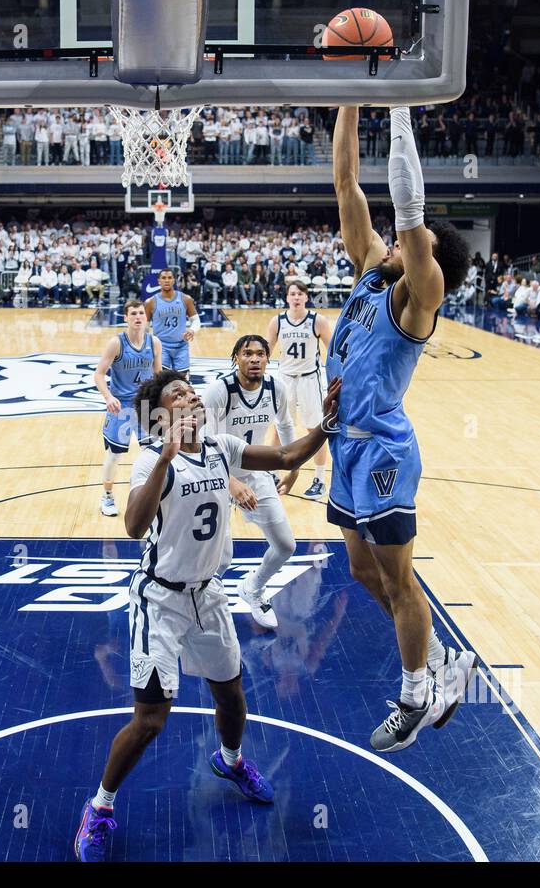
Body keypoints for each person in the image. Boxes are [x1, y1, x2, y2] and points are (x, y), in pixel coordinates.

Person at [72, 369, 341, 862]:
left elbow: (284, 456)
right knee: (151, 719)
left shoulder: (219, 447)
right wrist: (166, 458)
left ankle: (231, 761)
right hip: (161, 601)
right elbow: (133, 526)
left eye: (191, 389)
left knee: (232, 699)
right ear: (159, 415)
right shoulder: (152, 460)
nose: (191, 395)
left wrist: (326, 423)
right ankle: (100, 808)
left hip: (210, 597)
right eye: (178, 394)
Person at [329, 105, 477, 753]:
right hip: (344, 444)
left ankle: (416, 695)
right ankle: (441, 659)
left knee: (399, 579)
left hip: (384, 449)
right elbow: (346, 182)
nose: (390, 241)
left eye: (406, 246)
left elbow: (412, 219)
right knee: (364, 573)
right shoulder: (369, 268)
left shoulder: (419, 299)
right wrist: (349, 95)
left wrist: (398, 106)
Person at [201, 335, 299, 629]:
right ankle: (201, 605)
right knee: (221, 559)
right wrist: (230, 483)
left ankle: (253, 588)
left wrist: (293, 467)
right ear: (236, 359)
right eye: (247, 354)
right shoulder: (220, 391)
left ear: (268, 359)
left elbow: (286, 425)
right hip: (215, 473)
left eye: (260, 354)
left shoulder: (276, 388)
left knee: (285, 545)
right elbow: (206, 445)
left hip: (254, 472)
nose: (254, 359)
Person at [265, 280, 334, 497]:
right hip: (285, 379)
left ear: (306, 297)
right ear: (287, 297)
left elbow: (332, 352)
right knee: (278, 428)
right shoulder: (277, 321)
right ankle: (274, 474)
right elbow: (266, 350)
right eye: (292, 294)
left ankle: (319, 479)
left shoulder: (318, 321)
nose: (296, 297)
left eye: (300, 294)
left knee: (314, 430)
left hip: (309, 380)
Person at [93, 300, 162, 517]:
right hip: (120, 408)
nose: (138, 317)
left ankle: (156, 496)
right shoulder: (116, 343)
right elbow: (99, 374)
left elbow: (158, 375)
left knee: (154, 454)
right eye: (133, 313)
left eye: (141, 313)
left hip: (145, 406)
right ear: (126, 318)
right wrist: (108, 396)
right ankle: (107, 497)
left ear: (146, 317)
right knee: (114, 455)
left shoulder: (155, 342)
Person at [144, 269, 199, 372]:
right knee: (162, 382)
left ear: (174, 280)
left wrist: (192, 330)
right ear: (159, 281)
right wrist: (144, 346)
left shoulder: (186, 299)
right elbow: (145, 328)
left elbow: (196, 320)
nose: (167, 280)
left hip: (181, 346)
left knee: (182, 383)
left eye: (169, 278)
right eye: (163, 278)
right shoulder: (150, 302)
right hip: (161, 346)